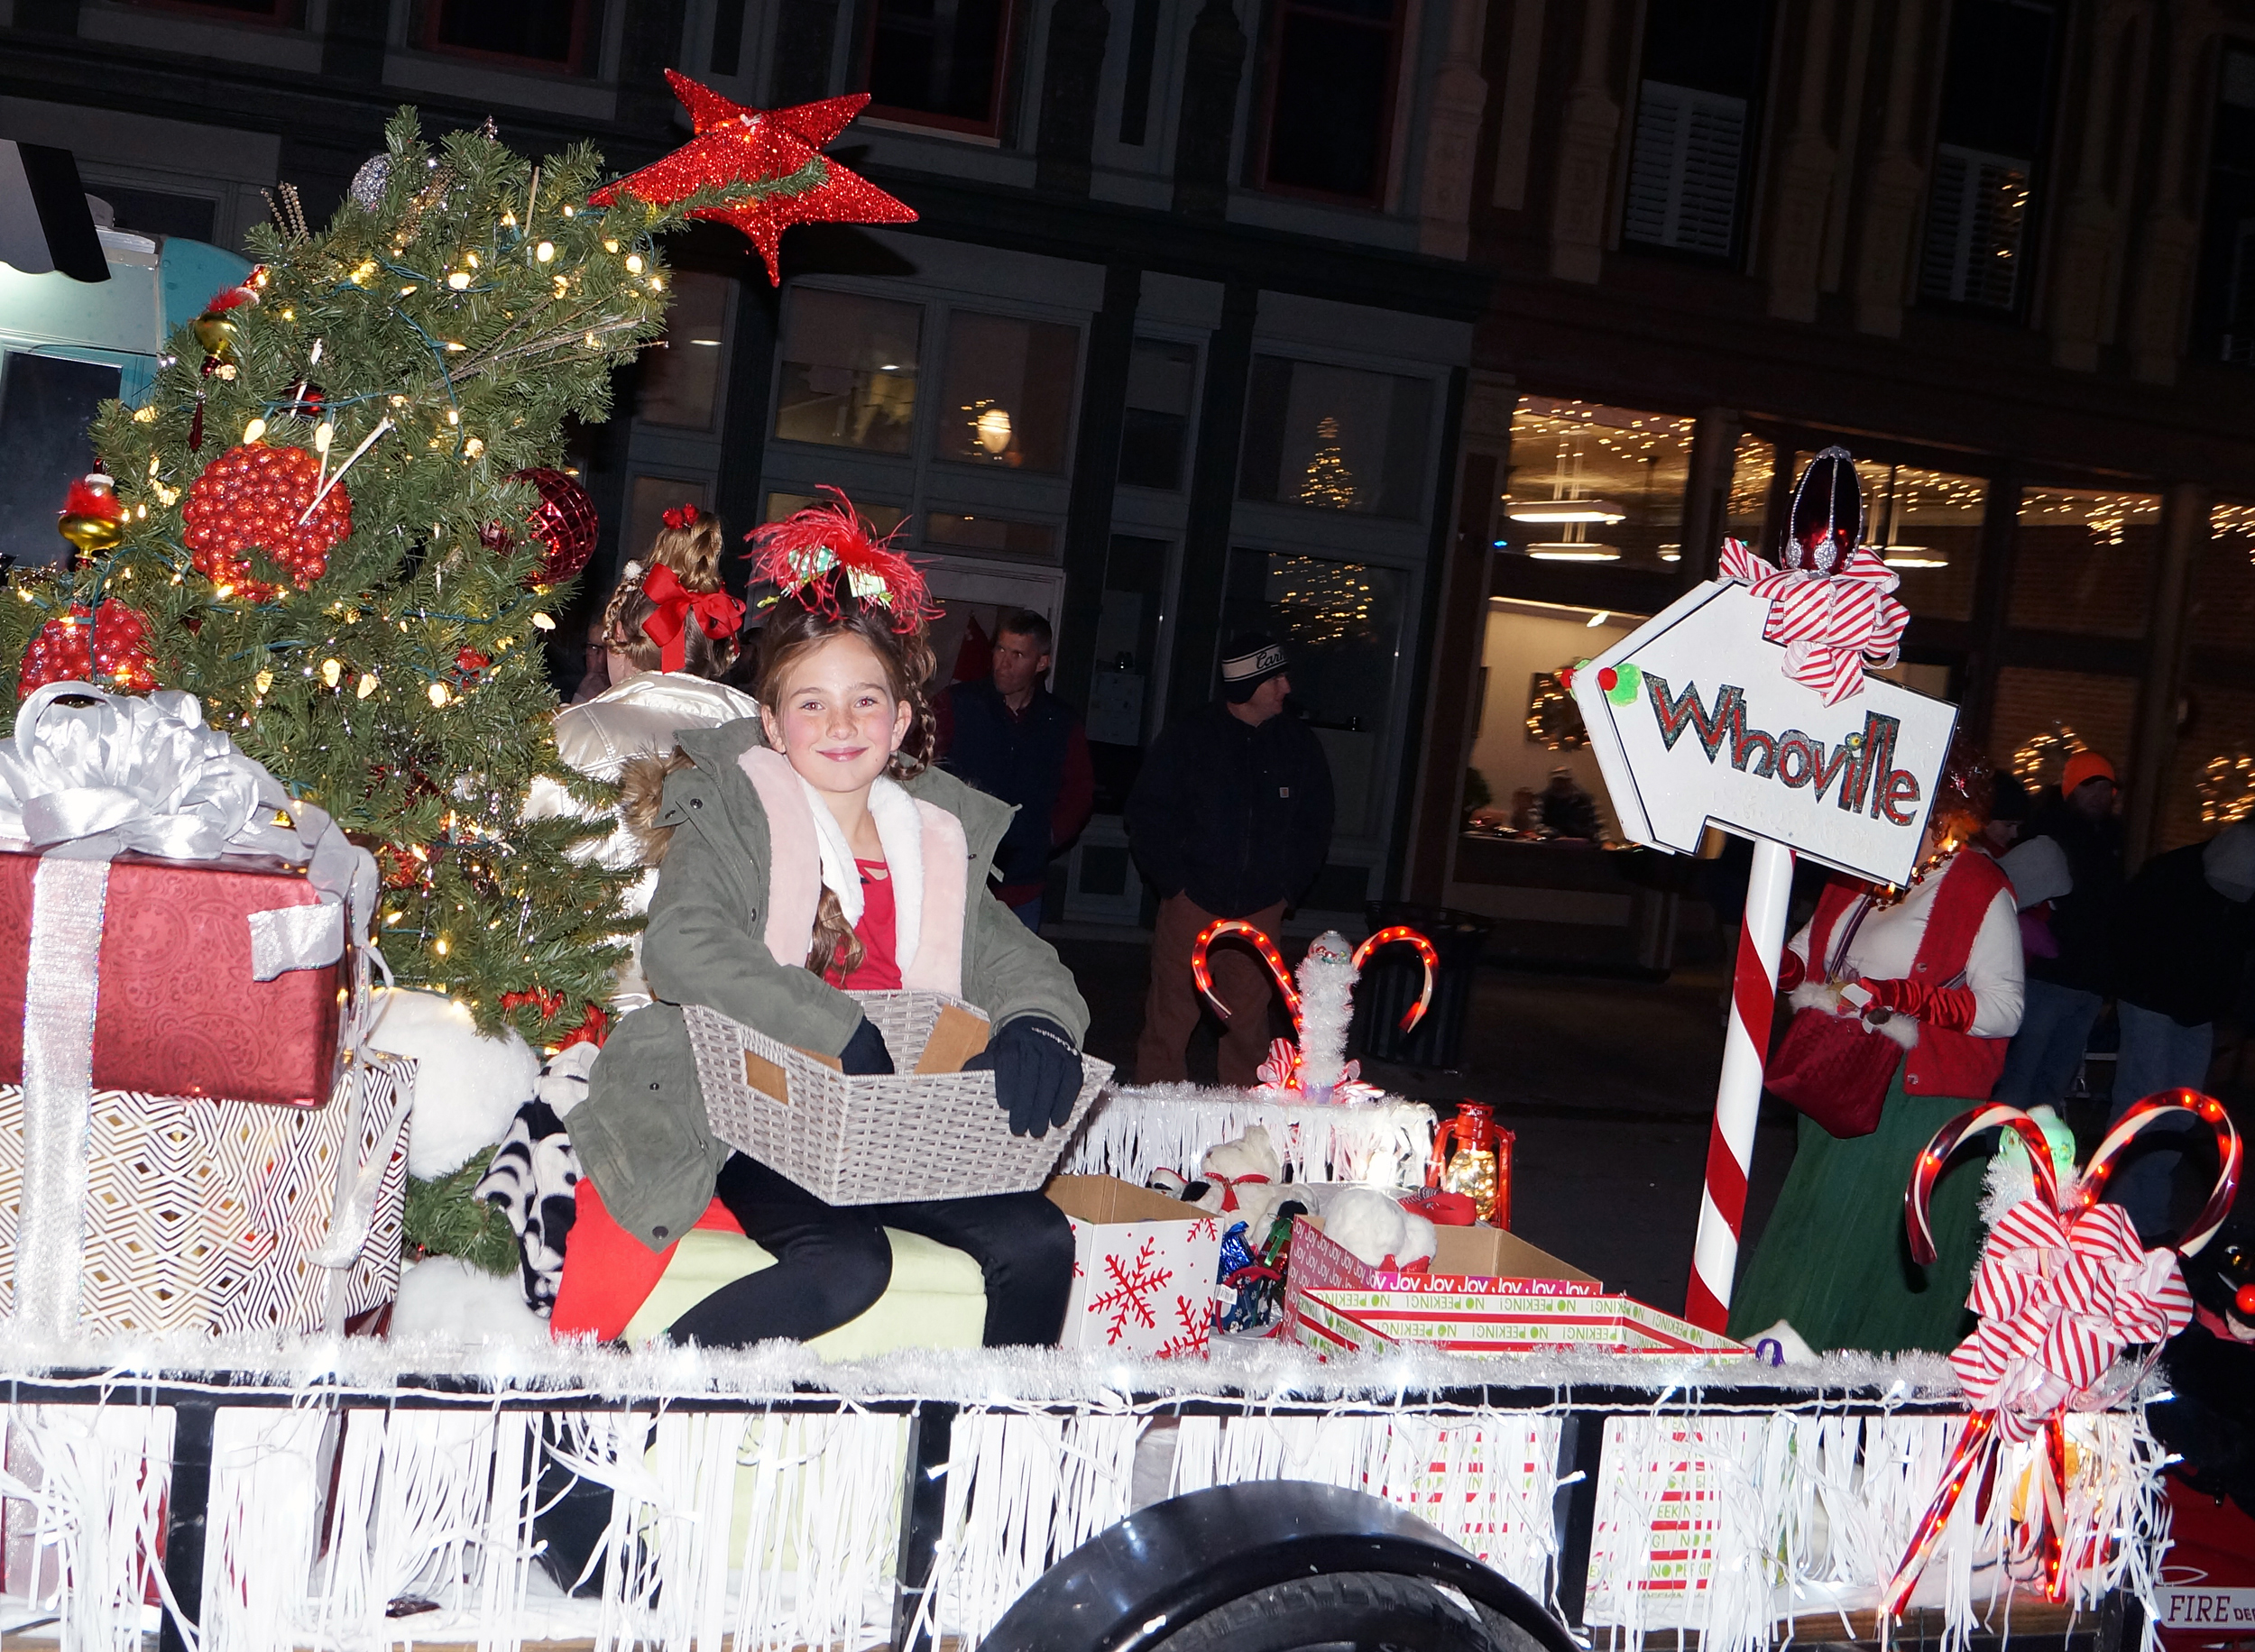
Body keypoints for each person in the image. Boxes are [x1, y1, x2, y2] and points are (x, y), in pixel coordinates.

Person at [557, 493, 1086, 1350]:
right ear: (769, 721)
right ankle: (633, 1389)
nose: (841, 726)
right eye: (811, 704)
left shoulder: (932, 839)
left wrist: (1038, 1026)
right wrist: (834, 1026)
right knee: (846, 1264)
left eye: (865, 702)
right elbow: (684, 944)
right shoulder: (734, 811)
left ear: (903, 719)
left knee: (1037, 1240)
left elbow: (1019, 960)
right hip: (759, 1109)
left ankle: (953, 1467)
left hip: (890, 1123)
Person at [1730, 745, 2024, 1354]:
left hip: (1916, 1102)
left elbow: (2004, 1010)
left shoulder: (1977, 886)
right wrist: (1769, 957)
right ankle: (1771, 1370)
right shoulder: (1859, 878)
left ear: (1941, 811)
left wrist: (1900, 997)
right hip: (1840, 1077)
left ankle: (1834, 1385)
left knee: (1859, 1252)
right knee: (1813, 1230)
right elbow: (1807, 963)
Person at [1127, 632, 1334, 1087]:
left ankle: (1244, 1131)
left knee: (1249, 1028)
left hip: (1260, 911)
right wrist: (1174, 885)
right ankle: (1156, 1122)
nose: (1287, 687)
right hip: (1191, 903)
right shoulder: (1189, 737)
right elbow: (1148, 813)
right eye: (1275, 678)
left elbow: (1314, 825)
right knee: (1169, 1021)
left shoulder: (1298, 746)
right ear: (1248, 685)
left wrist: (1284, 891)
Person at [2103, 821, 2255, 1236]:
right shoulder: (2170, 875)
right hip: (2150, 999)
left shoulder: (2239, 889)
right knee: (2142, 1104)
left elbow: (2239, 956)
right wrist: (2130, 985)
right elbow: (2126, 930)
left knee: (2181, 1115)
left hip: (2196, 1011)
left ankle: (2150, 1220)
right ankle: (2117, 1217)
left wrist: (2227, 1011)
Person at [933, 610, 1094, 930]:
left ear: (1041, 663)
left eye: (1017, 654)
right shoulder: (958, 704)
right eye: (1000, 649)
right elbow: (920, 769)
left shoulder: (1060, 722)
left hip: (1022, 882)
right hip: (955, 872)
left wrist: (1045, 837)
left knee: (1012, 976)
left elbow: (1079, 791)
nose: (1003, 663)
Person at [1994, 749, 2123, 1112]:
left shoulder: (2110, 842)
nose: (2099, 797)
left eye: (2106, 789)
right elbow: (2004, 896)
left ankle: (2034, 1158)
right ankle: (1998, 1157)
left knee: (2052, 1084)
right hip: (2047, 979)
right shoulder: (2050, 839)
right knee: (2021, 1079)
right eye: (2090, 787)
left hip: (2087, 981)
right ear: (2069, 790)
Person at [1537, 767, 1603, 840]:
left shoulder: (1585, 800)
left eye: (1564, 780)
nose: (1561, 784)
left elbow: (1599, 824)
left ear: (1570, 781)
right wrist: (1554, 834)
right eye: (1558, 780)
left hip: (1583, 842)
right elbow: (1536, 824)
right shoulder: (1543, 799)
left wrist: (1603, 840)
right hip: (1552, 843)